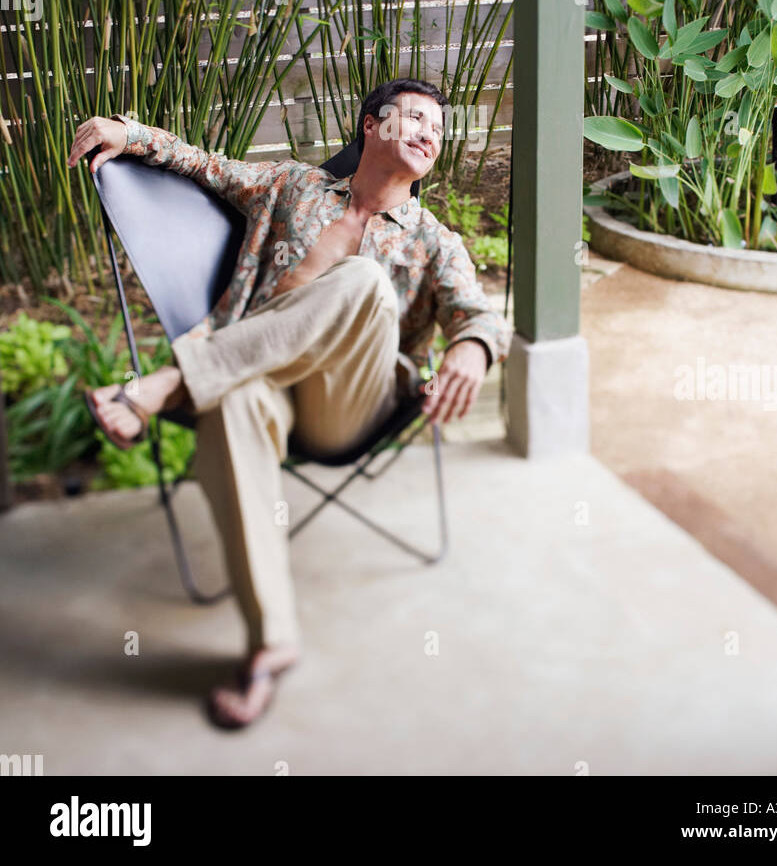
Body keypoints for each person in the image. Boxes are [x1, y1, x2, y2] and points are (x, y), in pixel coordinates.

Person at [67, 79, 511, 729]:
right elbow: (201, 163)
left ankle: (165, 383)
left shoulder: (431, 240)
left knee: (360, 280)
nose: (428, 133)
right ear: (371, 125)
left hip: (349, 405)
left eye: (438, 130)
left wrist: (471, 350)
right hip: (263, 381)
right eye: (414, 117)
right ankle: (270, 644)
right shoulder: (292, 186)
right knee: (235, 402)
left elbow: (476, 314)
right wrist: (127, 134)